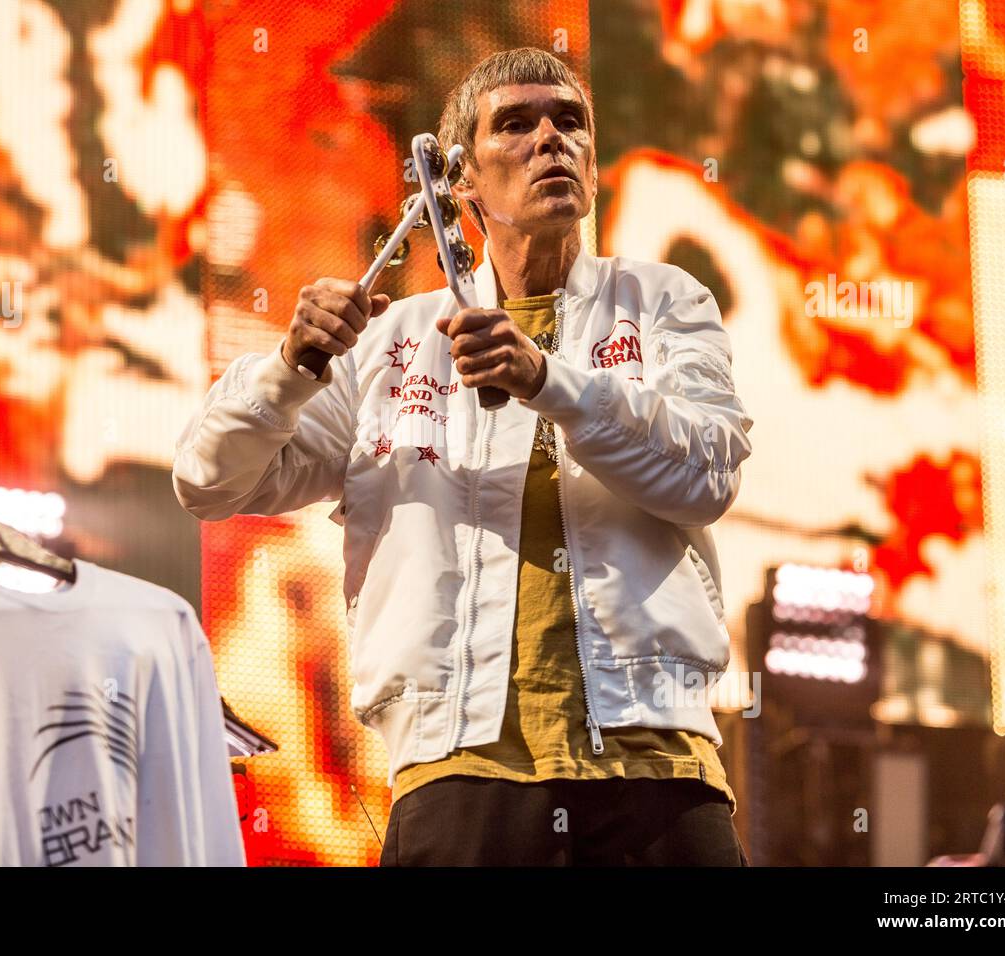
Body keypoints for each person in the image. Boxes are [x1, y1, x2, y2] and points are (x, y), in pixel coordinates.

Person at [173, 47, 754, 866]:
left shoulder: (662, 300)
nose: (551, 139)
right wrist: (288, 369)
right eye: (516, 125)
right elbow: (206, 481)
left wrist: (548, 379)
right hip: (454, 770)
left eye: (570, 123)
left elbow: (707, 474)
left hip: (657, 766)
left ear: (592, 162)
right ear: (463, 183)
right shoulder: (393, 343)